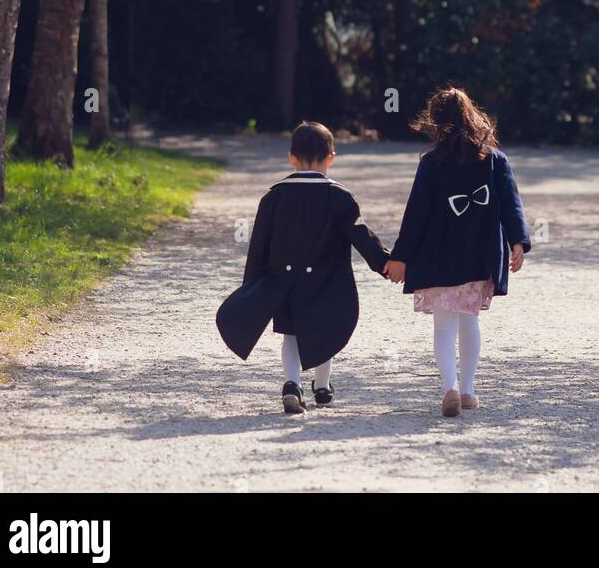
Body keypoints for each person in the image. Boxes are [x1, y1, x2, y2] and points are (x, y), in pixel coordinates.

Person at [216, 121, 391, 413]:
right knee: (325, 329)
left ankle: (292, 383)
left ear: (291, 157)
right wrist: (385, 263)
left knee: (292, 334)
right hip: (327, 281)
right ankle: (322, 388)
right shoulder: (340, 198)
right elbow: (361, 235)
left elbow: (258, 245)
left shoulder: (274, 196)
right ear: (331, 157)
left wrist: (253, 290)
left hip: (283, 280)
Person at [385, 86, 530, 417]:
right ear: (472, 116)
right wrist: (517, 240)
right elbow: (511, 204)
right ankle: (467, 390)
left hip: (437, 256)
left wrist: (400, 256)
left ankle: (448, 386)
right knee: (470, 321)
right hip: (478, 254)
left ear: (435, 121)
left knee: (443, 325)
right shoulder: (495, 160)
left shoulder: (431, 163)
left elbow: (416, 212)